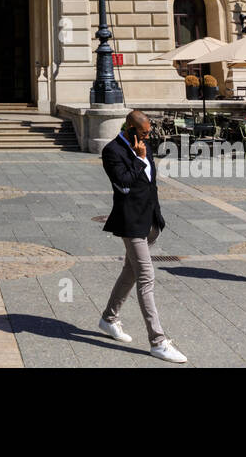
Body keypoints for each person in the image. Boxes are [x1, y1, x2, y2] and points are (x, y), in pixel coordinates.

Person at [97, 110, 187, 363]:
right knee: (146, 276)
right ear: (130, 128)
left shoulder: (143, 146)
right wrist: (139, 159)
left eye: (149, 132)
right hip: (130, 223)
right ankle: (158, 341)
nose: (148, 136)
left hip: (149, 221)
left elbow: (150, 184)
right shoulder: (112, 151)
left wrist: (157, 219)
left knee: (130, 271)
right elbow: (124, 184)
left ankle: (108, 318)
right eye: (144, 132)